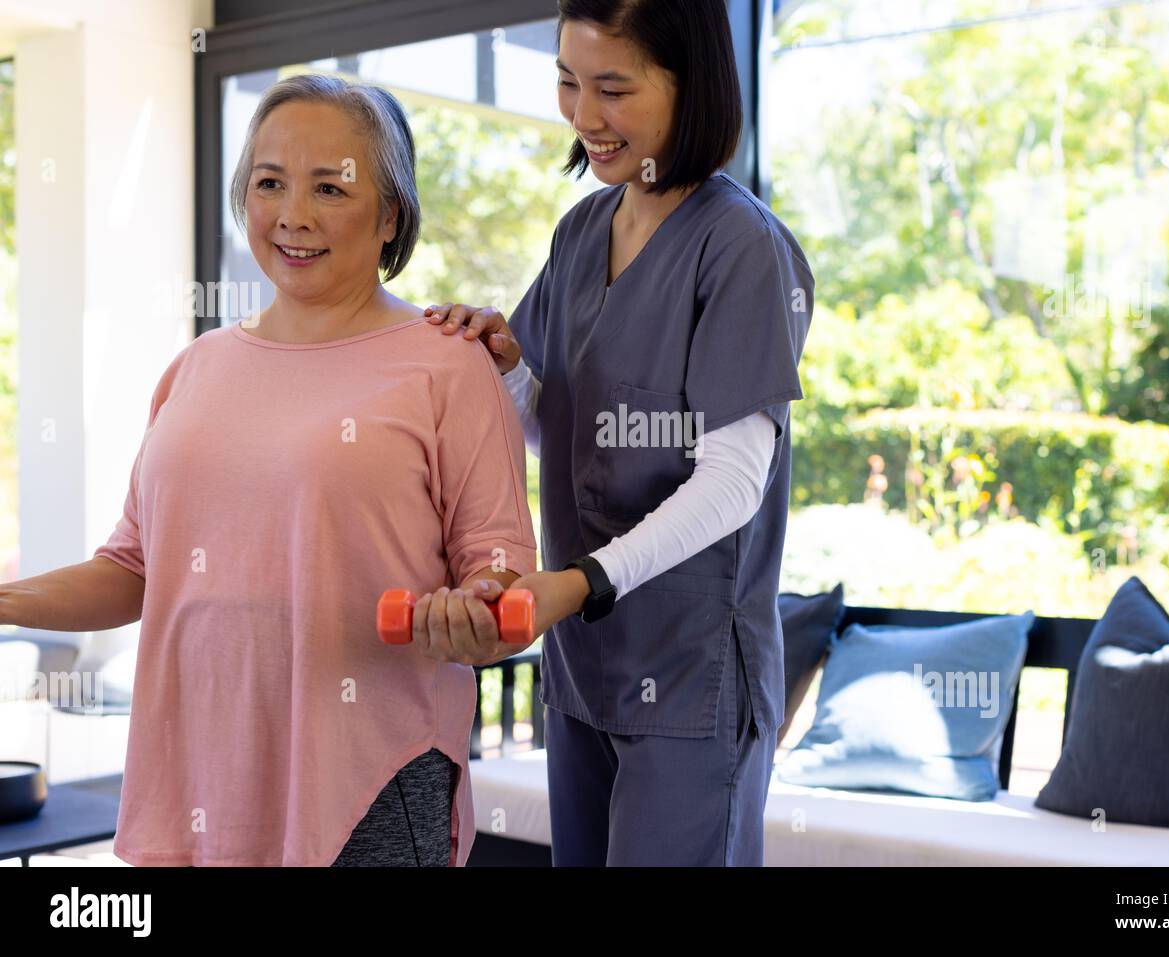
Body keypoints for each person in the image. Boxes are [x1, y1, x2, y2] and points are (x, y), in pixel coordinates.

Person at [0, 74, 552, 866]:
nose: (292, 214)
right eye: (269, 183)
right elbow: (131, 569)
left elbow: (500, 571)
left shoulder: (447, 365)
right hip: (197, 784)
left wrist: (479, 608)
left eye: (331, 187)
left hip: (367, 788)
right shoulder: (195, 368)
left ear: (390, 211)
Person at [427, 0, 815, 865]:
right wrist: (506, 369)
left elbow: (733, 480)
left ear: (693, 86)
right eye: (568, 81)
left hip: (687, 682)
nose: (584, 116)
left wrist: (578, 583)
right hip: (583, 671)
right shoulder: (580, 234)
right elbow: (562, 437)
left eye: (614, 88)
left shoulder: (741, 247)